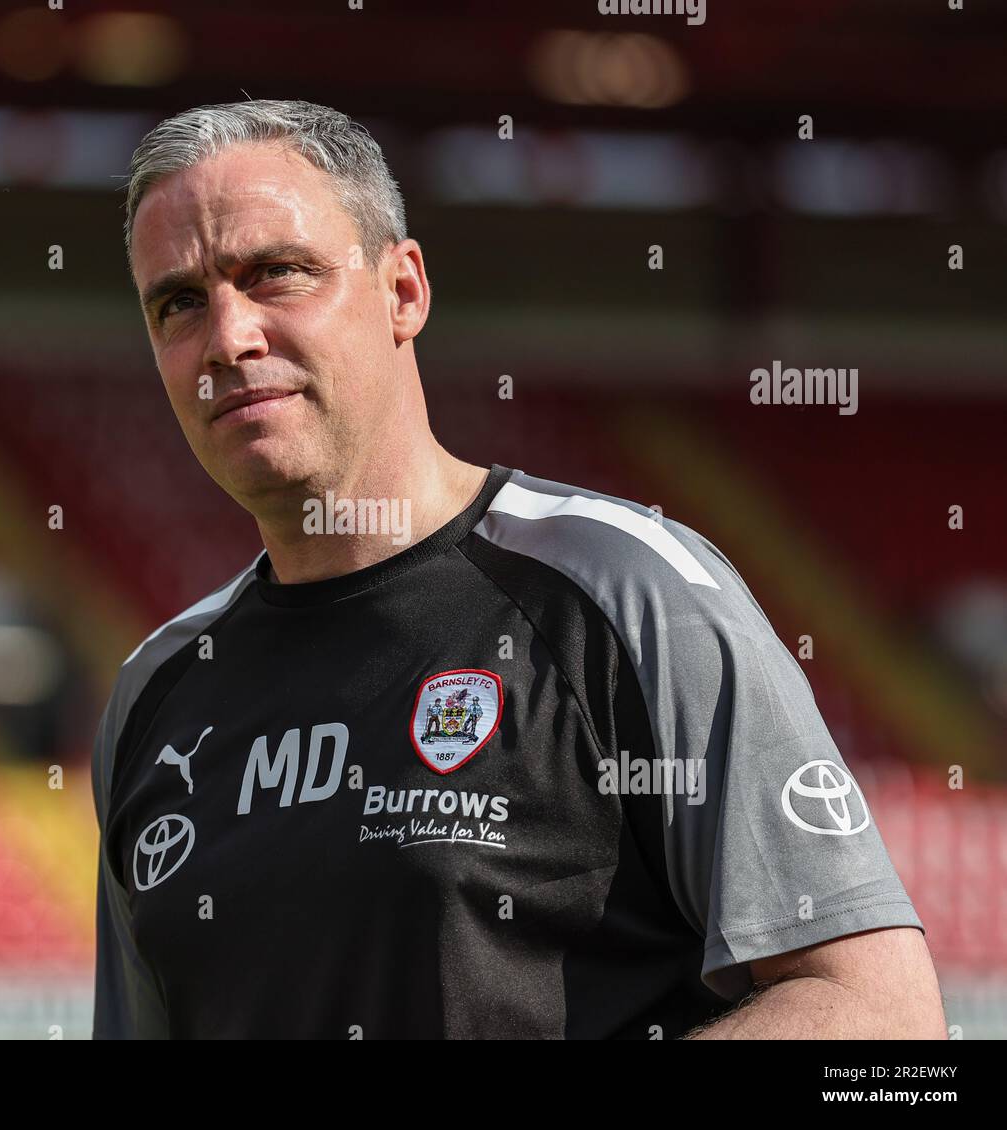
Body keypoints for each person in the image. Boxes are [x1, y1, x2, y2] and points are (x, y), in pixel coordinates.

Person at [91, 98, 945, 1039]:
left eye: (277, 274)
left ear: (402, 291)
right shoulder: (155, 696)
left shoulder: (621, 594)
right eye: (178, 302)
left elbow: (883, 1020)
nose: (228, 339)